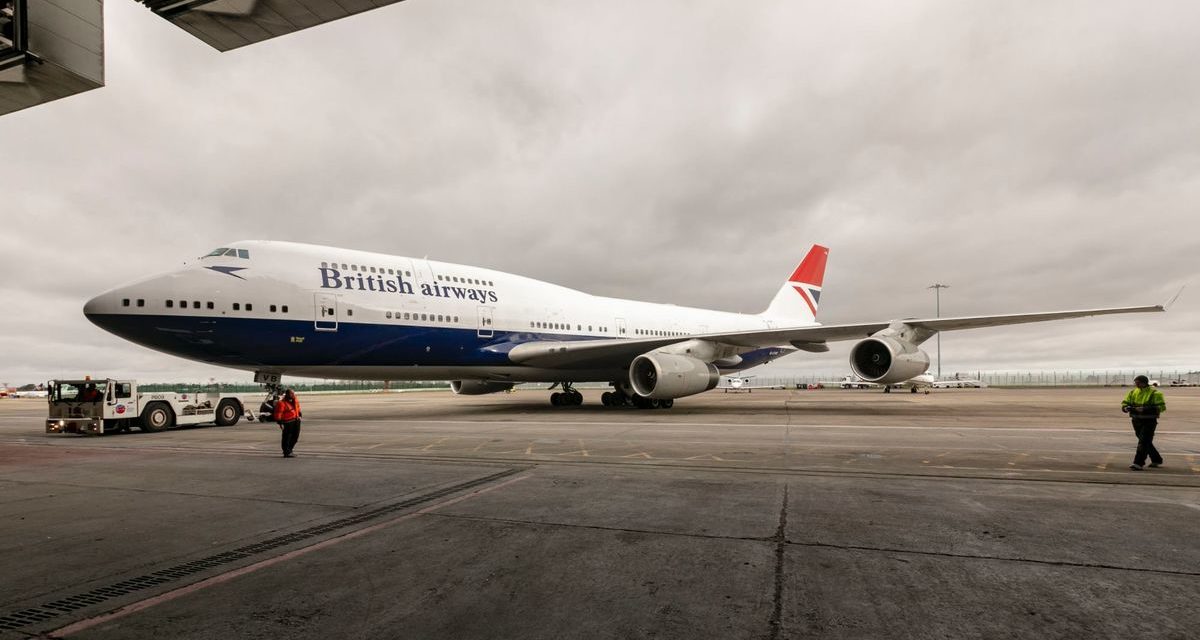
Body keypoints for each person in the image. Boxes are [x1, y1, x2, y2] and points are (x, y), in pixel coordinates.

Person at [1121, 375, 1166, 470]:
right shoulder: (1133, 392)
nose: (1136, 385)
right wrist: (1125, 408)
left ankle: (1138, 463)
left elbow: (1162, 407)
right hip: (1136, 421)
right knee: (1145, 441)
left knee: (1143, 442)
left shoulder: (1155, 393)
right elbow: (1125, 402)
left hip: (1149, 421)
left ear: (1144, 383)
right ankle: (1156, 459)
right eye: (1135, 383)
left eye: (1138, 383)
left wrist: (1145, 409)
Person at [272, 388, 302, 458]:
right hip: (287, 422)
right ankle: (286, 452)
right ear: (287, 394)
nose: (293, 395)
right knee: (287, 437)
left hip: (296, 421)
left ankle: (289, 450)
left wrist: (300, 415)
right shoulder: (281, 403)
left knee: (295, 437)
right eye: (291, 393)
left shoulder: (295, 400)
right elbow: (278, 414)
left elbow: (298, 408)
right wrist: (280, 423)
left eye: (293, 393)